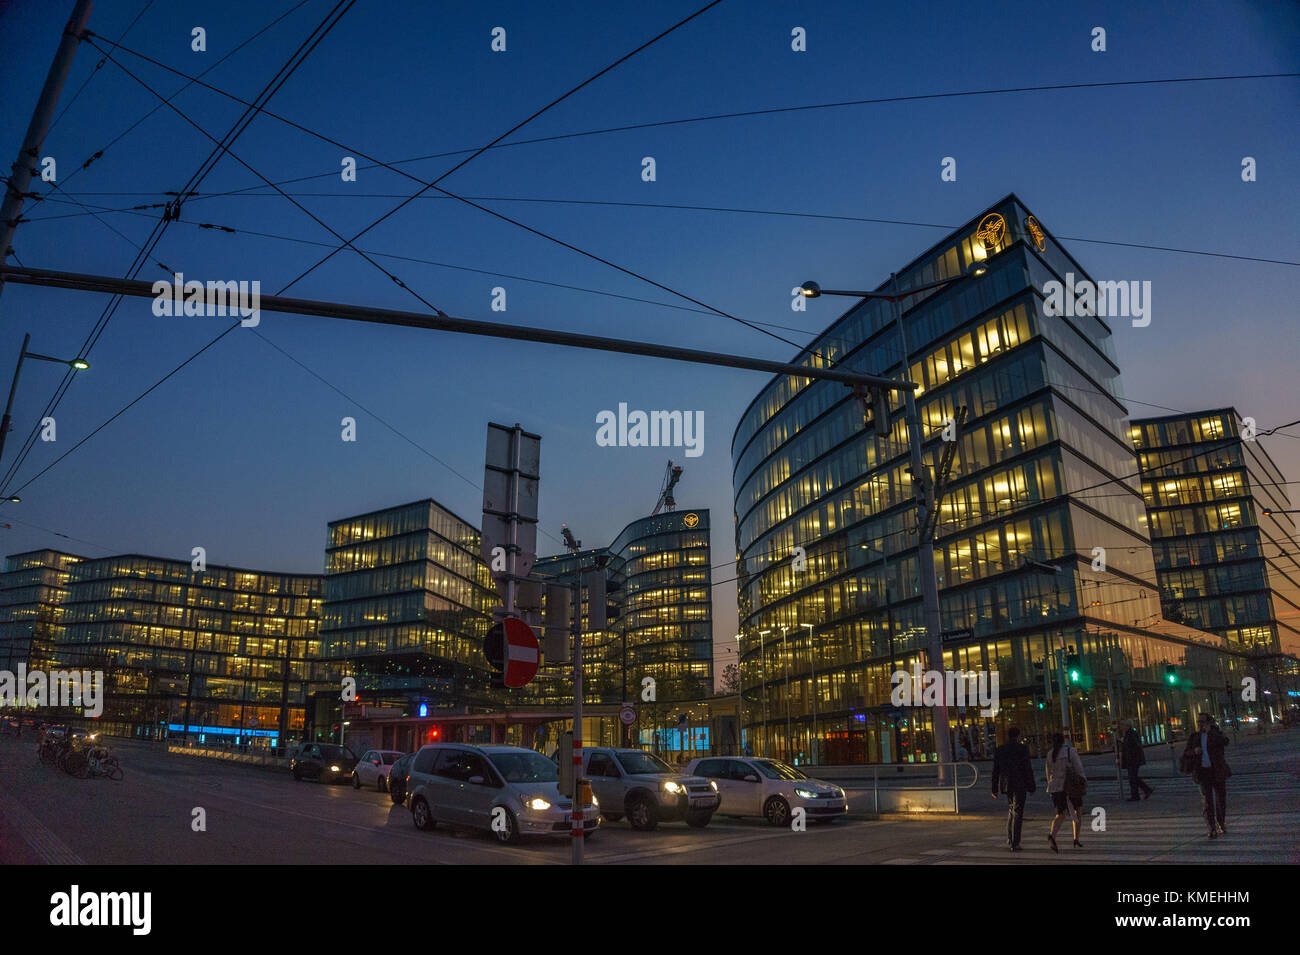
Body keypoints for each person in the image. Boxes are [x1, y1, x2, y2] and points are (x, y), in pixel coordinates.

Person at [1184, 712, 1231, 837]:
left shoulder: (1215, 734)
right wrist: (1194, 751)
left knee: (1221, 799)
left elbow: (1225, 741)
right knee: (1207, 801)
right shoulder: (1195, 736)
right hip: (1203, 771)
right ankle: (1211, 827)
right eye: (1198, 722)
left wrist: (1212, 731)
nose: (1200, 724)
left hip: (1217, 770)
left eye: (1202, 721)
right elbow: (1186, 753)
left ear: (1209, 722)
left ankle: (1221, 822)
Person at [990, 726, 1036, 850]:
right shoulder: (1022, 749)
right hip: (1020, 783)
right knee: (1018, 812)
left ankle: (1010, 839)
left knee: (1011, 809)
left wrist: (994, 789)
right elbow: (1027, 768)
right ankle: (1015, 842)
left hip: (1006, 784)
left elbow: (995, 771)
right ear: (1018, 736)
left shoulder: (1001, 749)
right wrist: (1031, 786)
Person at [1045, 732, 1086, 852]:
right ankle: (1076, 839)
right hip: (1071, 787)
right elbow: (1078, 768)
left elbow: (1048, 774)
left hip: (1056, 788)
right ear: (1063, 741)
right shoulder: (1070, 751)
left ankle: (1052, 835)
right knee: (1077, 811)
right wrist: (1083, 781)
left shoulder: (1050, 754)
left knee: (1060, 814)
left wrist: (1051, 784)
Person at [1121, 720, 1152, 801]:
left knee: (1133, 778)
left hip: (1133, 760)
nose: (1122, 727)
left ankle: (1139, 793)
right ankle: (1144, 791)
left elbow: (1135, 746)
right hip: (1133, 759)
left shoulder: (1131, 734)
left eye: (1123, 725)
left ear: (1127, 726)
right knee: (1133, 777)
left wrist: (1131, 755)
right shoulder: (1129, 734)